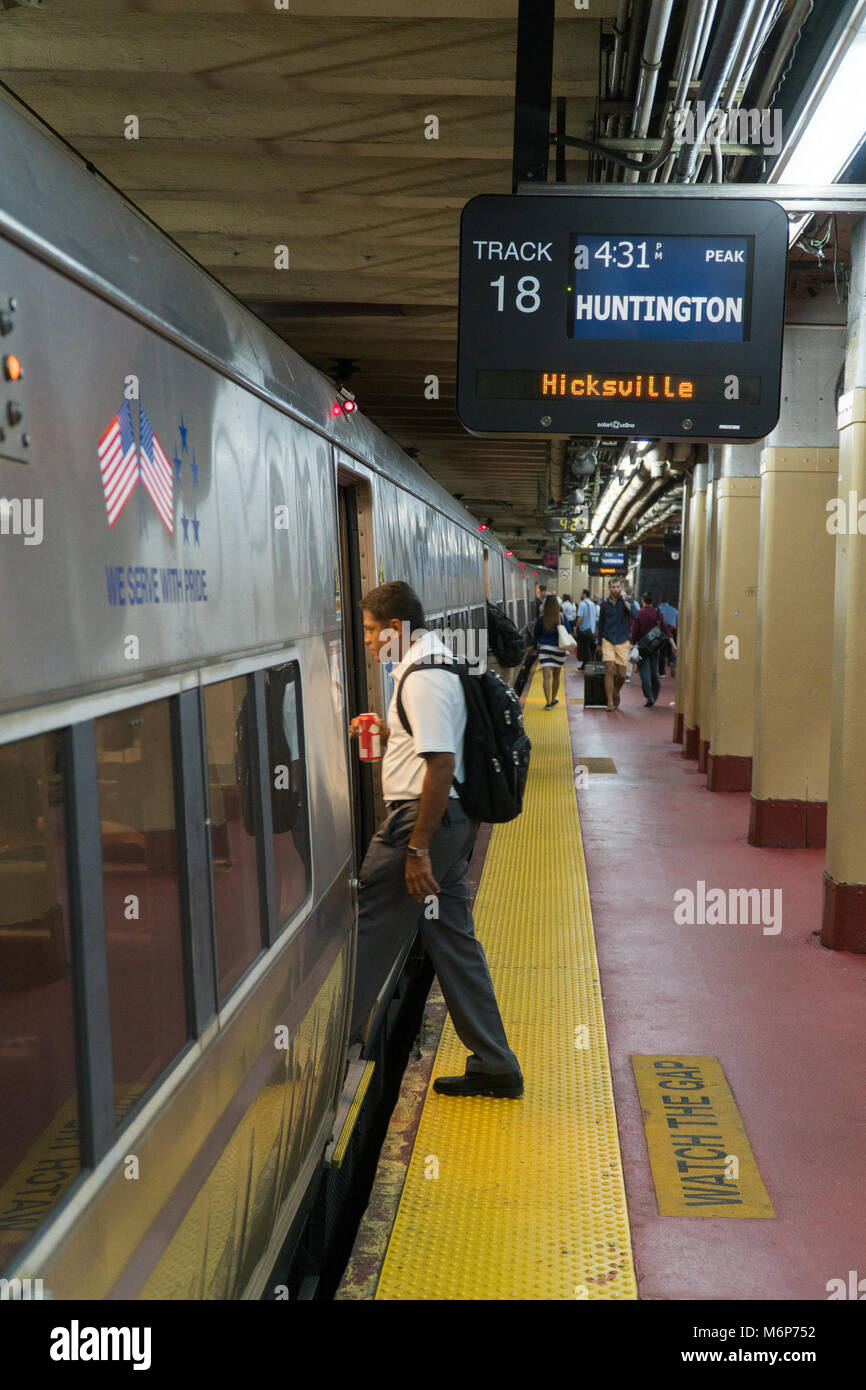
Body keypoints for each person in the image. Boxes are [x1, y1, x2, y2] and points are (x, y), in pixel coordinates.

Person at [348, 581, 522, 1099]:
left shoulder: (423, 678)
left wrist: (417, 847)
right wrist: (391, 730)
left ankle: (317, 1056)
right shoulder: (435, 662)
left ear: (397, 629)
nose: (370, 642)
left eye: (371, 631)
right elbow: (431, 743)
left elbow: (441, 764)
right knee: (452, 940)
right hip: (446, 821)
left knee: (366, 923)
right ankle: (495, 1062)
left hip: (422, 823)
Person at [596, 578, 638, 711]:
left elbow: (635, 615)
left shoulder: (626, 601)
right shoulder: (604, 604)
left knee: (621, 674)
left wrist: (627, 601)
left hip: (622, 640)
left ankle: (616, 691)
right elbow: (601, 624)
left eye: (617, 587)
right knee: (609, 668)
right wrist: (599, 643)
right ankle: (609, 701)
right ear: (609, 588)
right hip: (608, 639)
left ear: (621, 588)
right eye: (613, 587)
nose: (615, 589)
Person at [631, 594, 675, 707]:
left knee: (644, 672)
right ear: (653, 601)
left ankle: (649, 696)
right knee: (654, 671)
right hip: (655, 646)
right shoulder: (657, 613)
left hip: (643, 646)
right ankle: (655, 694)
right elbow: (665, 628)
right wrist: (673, 644)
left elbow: (635, 630)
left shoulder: (639, 613)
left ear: (643, 601)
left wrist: (633, 643)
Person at [533, 593, 570, 708]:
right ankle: (554, 699)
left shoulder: (542, 619)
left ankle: (548, 702)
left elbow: (536, 635)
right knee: (556, 676)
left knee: (546, 678)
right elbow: (568, 631)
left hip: (545, 650)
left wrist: (535, 648)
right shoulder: (561, 617)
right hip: (558, 650)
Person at [575, 589, 596, 668]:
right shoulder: (593, 604)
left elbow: (580, 617)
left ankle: (588, 666)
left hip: (584, 630)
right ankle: (584, 665)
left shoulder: (582, 604)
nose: (580, 595)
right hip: (592, 630)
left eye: (581, 593)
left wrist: (576, 627)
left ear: (584, 594)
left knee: (584, 648)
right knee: (589, 648)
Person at [657, 598, 678, 675]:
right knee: (672, 649)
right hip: (673, 630)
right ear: (668, 601)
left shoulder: (658, 610)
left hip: (662, 630)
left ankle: (662, 673)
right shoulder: (674, 610)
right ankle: (672, 661)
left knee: (662, 652)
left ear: (660, 601)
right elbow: (677, 621)